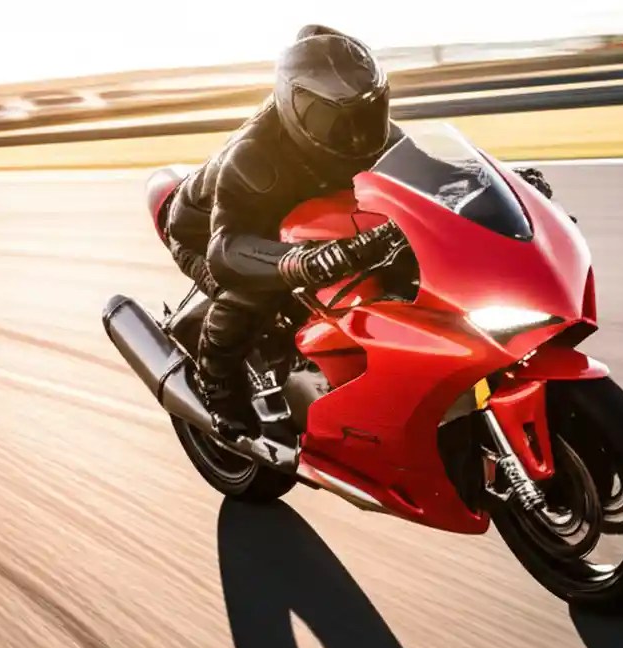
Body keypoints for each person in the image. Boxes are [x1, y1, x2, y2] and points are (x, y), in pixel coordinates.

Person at [160, 24, 559, 438]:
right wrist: (300, 263)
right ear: (297, 108)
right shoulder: (254, 157)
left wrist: (504, 186)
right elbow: (226, 252)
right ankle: (219, 389)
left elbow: (434, 180)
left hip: (298, 219)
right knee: (254, 292)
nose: (354, 133)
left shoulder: (377, 135)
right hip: (204, 233)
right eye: (333, 119)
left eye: (365, 113)